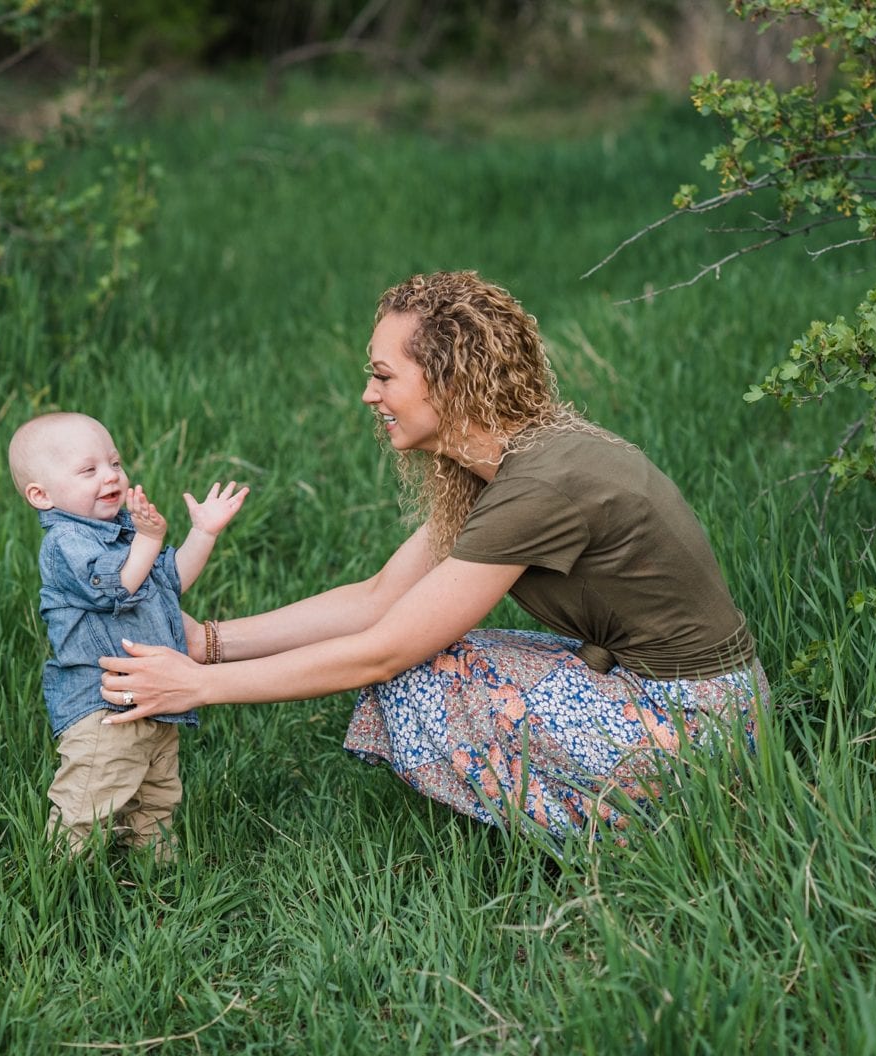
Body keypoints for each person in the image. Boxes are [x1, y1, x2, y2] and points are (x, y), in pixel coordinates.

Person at [99, 271, 766, 837]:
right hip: (684, 700)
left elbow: (384, 648)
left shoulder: (538, 486)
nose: (368, 394)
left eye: (384, 376)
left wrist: (201, 688)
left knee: (418, 669)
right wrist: (208, 642)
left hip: (699, 730)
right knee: (439, 654)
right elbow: (380, 597)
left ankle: (628, 834)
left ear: (447, 381)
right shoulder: (506, 461)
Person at [8, 411, 249, 856]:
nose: (110, 476)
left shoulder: (122, 534)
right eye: (88, 470)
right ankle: (59, 881)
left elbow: (169, 580)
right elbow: (117, 585)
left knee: (156, 799)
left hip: (156, 697)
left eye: (115, 464)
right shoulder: (65, 542)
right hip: (104, 706)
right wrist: (148, 540)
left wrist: (202, 532)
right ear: (41, 495)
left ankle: (157, 875)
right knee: (89, 800)